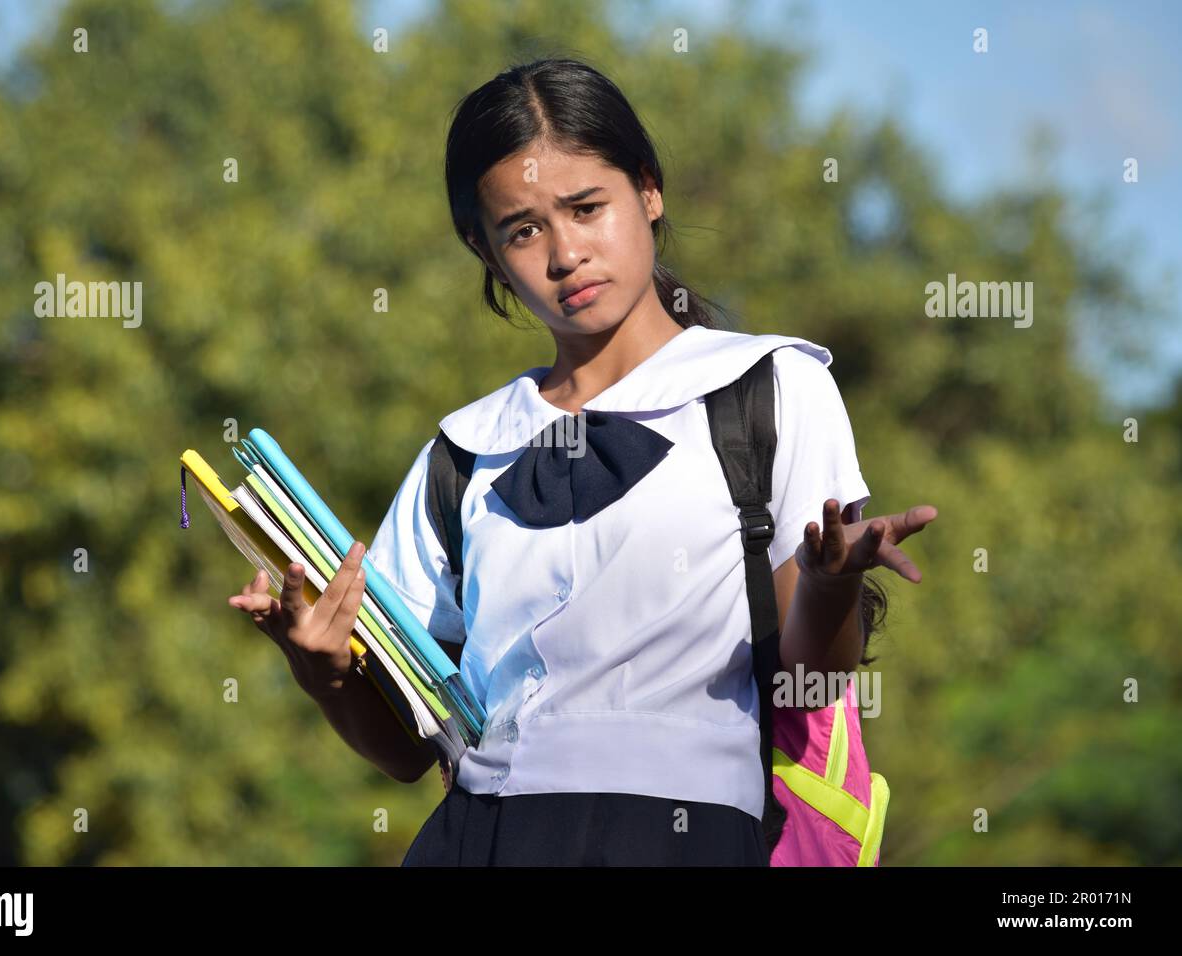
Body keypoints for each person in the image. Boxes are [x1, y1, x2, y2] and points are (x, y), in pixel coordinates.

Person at [228, 57, 937, 866]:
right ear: (484, 251)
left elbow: (814, 673)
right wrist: (323, 671)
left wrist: (832, 582)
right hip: (480, 839)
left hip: (687, 839)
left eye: (586, 207)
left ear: (648, 190)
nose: (565, 254)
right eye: (523, 230)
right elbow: (407, 753)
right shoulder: (463, 450)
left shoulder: (768, 388)